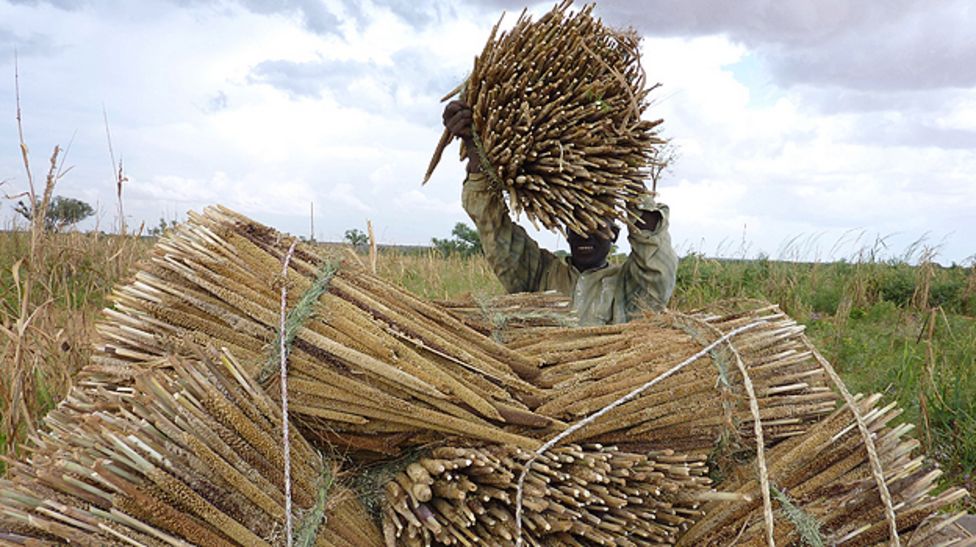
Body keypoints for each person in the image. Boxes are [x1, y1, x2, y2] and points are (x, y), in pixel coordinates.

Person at [442, 100, 678, 326]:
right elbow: (493, 227)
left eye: (597, 224)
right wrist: (474, 145)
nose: (585, 234)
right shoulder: (539, 274)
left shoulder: (629, 286)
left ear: (615, 234)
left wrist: (627, 163)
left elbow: (655, 260)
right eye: (577, 223)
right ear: (566, 231)